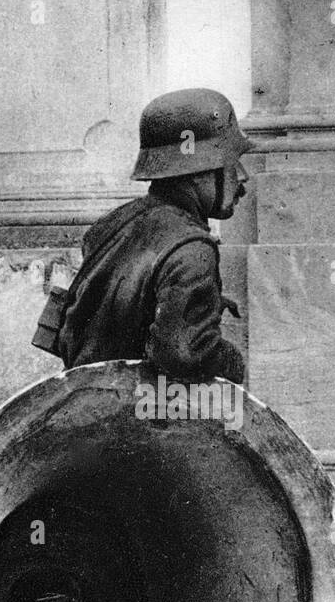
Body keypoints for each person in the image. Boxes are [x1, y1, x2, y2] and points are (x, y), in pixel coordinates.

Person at [33, 88, 251, 384]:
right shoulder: (192, 250)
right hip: (139, 416)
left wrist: (199, 305)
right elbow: (182, 356)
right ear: (199, 170)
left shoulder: (112, 225)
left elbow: (108, 315)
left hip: (85, 397)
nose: (242, 178)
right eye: (230, 162)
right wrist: (229, 360)